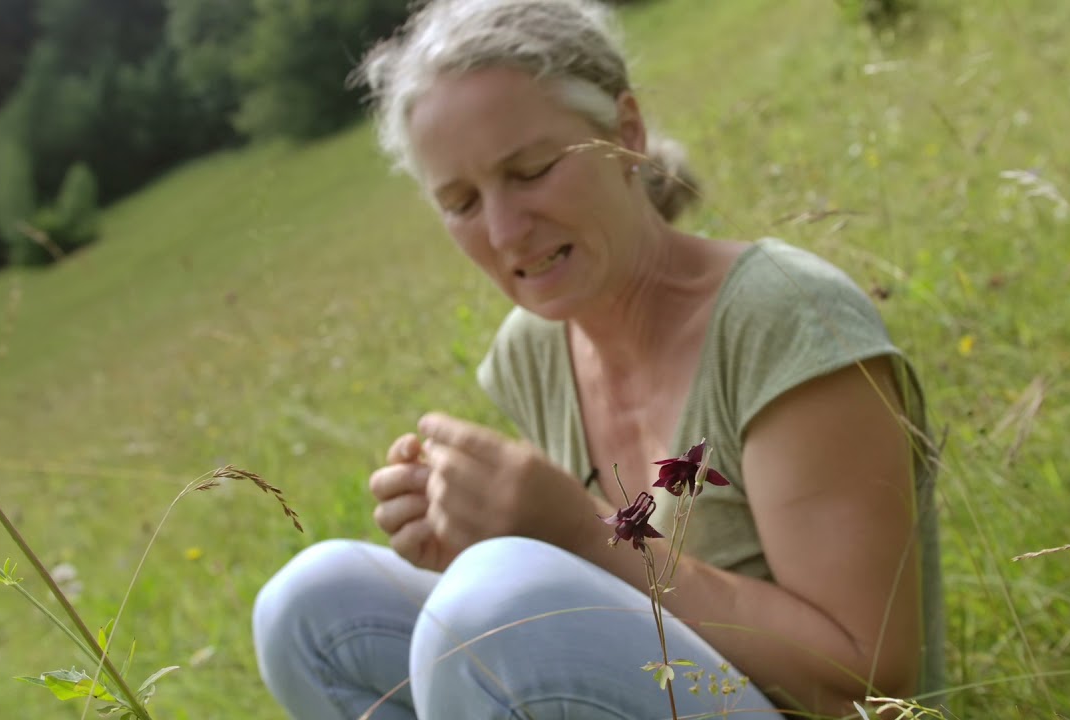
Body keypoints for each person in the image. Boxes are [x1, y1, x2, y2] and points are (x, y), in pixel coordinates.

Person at [252, 0, 945, 718]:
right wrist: (470, 540)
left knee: (493, 613)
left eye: (531, 170)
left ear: (627, 133)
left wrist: (580, 535)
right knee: (310, 609)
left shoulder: (788, 319)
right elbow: (605, 627)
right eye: (460, 202)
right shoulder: (532, 352)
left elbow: (872, 679)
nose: (504, 231)